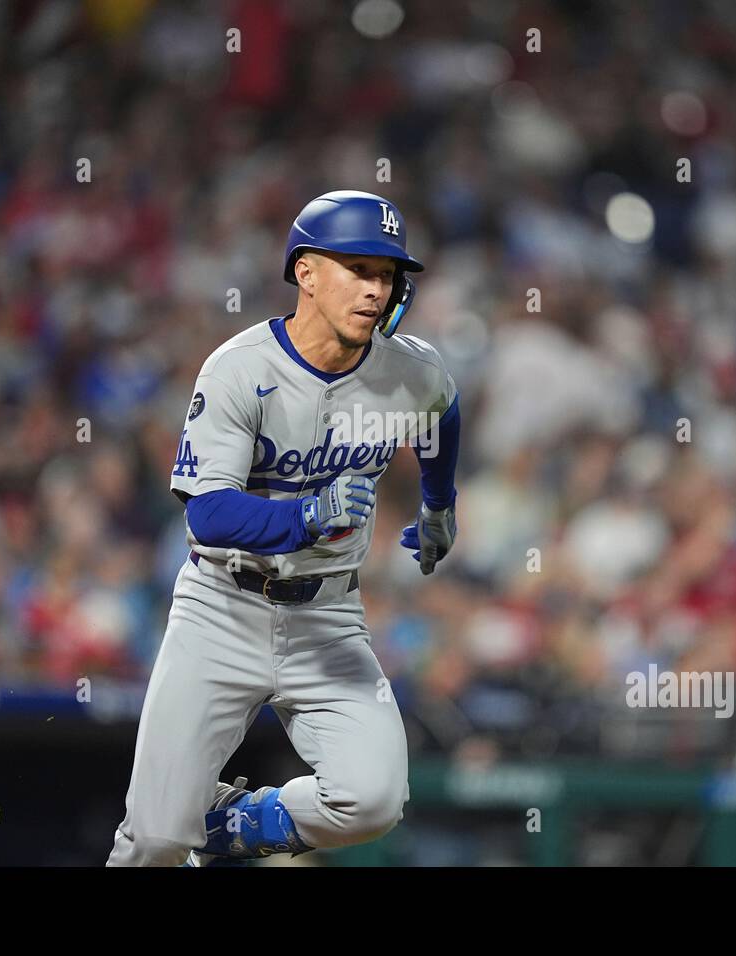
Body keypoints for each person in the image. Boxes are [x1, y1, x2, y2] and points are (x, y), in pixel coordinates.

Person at [106, 190, 461, 866]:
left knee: (373, 798)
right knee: (153, 839)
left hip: (328, 616)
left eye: (386, 276)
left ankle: (231, 825)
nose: (376, 290)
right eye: (358, 269)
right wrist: (306, 515)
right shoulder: (240, 368)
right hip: (221, 609)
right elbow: (207, 511)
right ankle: (181, 824)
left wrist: (439, 505)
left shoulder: (408, 371)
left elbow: (444, 413)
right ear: (306, 272)